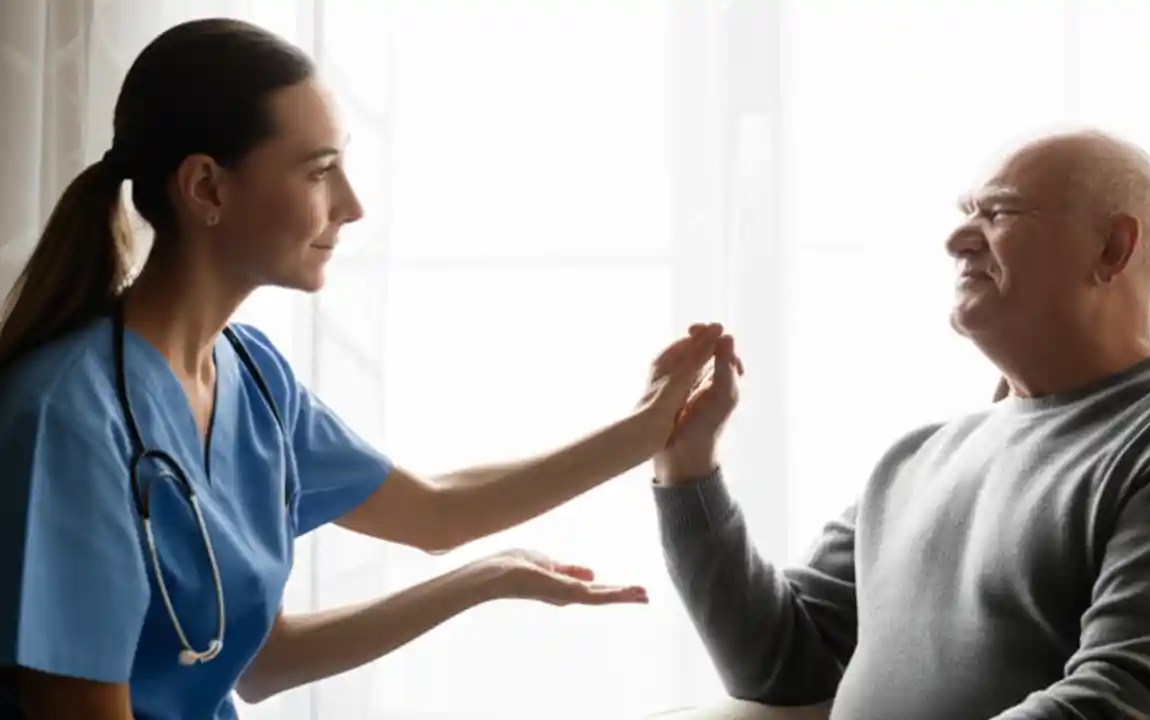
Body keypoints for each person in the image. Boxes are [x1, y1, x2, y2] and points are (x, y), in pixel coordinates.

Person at [0, 18, 740, 720]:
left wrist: (641, 436)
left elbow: (426, 522)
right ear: (206, 188)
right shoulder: (70, 416)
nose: (351, 206)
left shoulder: (254, 379)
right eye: (320, 171)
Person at [652, 130, 1150, 719]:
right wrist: (689, 474)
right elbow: (780, 662)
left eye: (999, 213)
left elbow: (1118, 702)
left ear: (1112, 248)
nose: (958, 239)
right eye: (966, 211)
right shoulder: (916, 459)